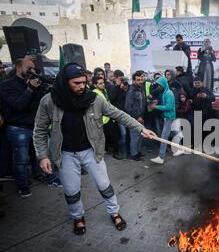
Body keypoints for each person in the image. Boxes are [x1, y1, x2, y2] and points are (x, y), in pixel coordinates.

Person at [33, 63, 156, 235]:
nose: (82, 86)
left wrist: (140, 128)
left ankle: (114, 212)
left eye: (83, 82)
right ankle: (78, 217)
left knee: (104, 185)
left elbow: (118, 114)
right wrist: (42, 155)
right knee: (71, 190)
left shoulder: (94, 99)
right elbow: (39, 130)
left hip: (91, 151)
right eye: (76, 83)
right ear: (65, 82)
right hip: (65, 154)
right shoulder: (49, 101)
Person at [0, 58, 49, 197]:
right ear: (18, 68)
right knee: (21, 160)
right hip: (18, 129)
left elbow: (40, 104)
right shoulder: (6, 85)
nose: (32, 71)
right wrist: (29, 90)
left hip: (35, 126)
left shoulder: (33, 82)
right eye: (29, 68)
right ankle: (23, 186)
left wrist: (39, 88)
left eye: (33, 68)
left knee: (38, 156)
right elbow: (18, 105)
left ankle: (40, 175)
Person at [149, 76, 177, 165]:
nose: (158, 87)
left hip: (169, 117)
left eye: (160, 85)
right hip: (167, 117)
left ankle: (161, 157)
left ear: (164, 85)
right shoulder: (165, 93)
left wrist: (155, 106)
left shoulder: (169, 93)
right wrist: (158, 102)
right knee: (170, 134)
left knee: (164, 137)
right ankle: (180, 148)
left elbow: (169, 107)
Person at [92, 76, 121, 160]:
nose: (103, 84)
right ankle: (115, 152)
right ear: (95, 85)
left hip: (107, 118)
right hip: (103, 120)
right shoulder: (95, 93)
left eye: (103, 82)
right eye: (100, 83)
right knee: (112, 137)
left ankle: (112, 150)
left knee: (112, 136)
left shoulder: (103, 90)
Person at [124, 71, 147, 161]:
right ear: (134, 80)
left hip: (141, 117)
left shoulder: (141, 89)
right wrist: (137, 117)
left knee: (140, 136)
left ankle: (137, 151)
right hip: (134, 118)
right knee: (134, 136)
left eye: (141, 79)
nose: (140, 81)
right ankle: (134, 154)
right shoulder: (132, 91)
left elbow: (142, 103)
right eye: (138, 80)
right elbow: (127, 107)